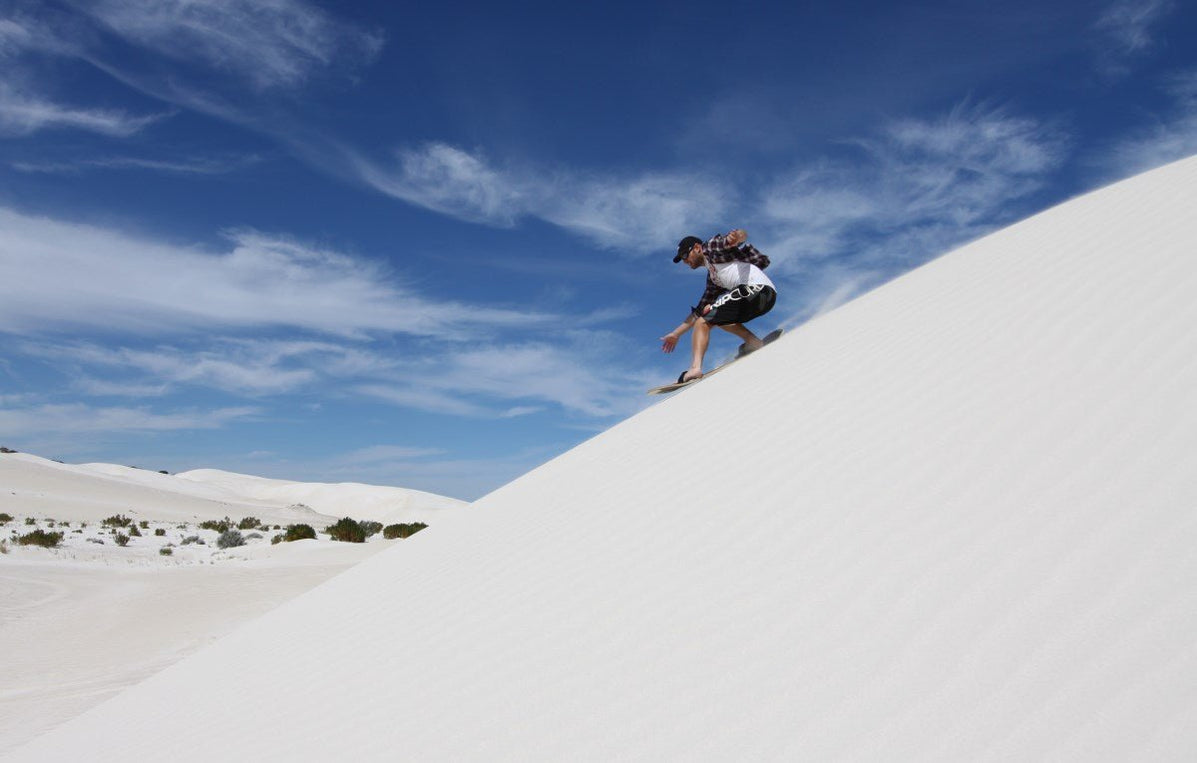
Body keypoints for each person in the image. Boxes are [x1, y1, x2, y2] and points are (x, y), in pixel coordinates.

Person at [660, 228, 777, 383]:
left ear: (696, 248)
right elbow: (698, 312)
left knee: (705, 320)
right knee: (712, 314)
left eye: (684, 255)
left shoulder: (711, 248)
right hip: (763, 301)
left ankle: (695, 369)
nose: (684, 261)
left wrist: (737, 237)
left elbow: (733, 239)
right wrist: (676, 334)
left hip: (758, 290)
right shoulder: (714, 279)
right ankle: (754, 343)